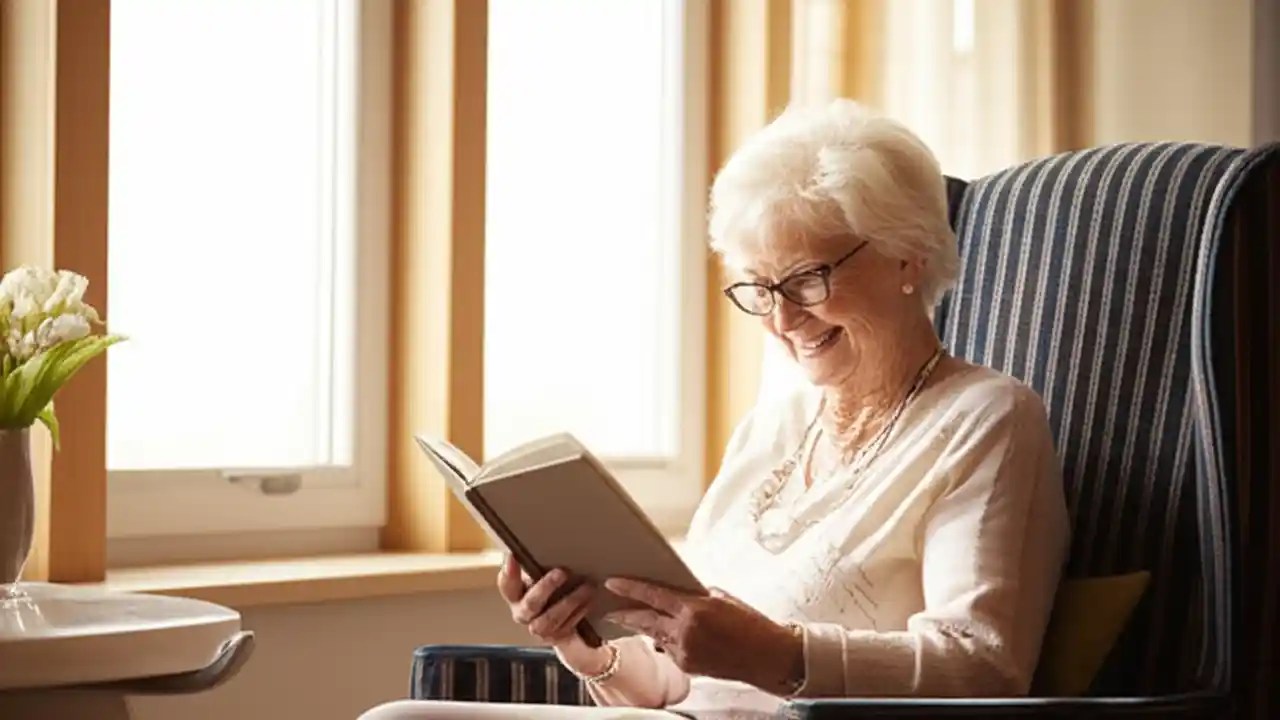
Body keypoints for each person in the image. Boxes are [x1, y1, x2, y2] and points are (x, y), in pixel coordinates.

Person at [360, 99, 1070, 719]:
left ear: (907, 258)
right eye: (759, 288)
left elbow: (983, 665)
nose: (783, 319)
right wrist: (579, 641)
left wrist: (781, 655)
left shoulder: (988, 420)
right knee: (398, 717)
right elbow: (676, 680)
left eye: (807, 279)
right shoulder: (775, 427)